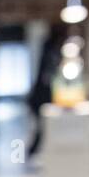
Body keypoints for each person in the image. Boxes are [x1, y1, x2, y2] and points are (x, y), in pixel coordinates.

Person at [27, 23, 68, 156]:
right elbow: (48, 74)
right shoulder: (50, 50)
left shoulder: (50, 49)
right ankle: (32, 151)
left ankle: (35, 151)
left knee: (43, 128)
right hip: (41, 97)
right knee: (42, 127)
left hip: (42, 96)